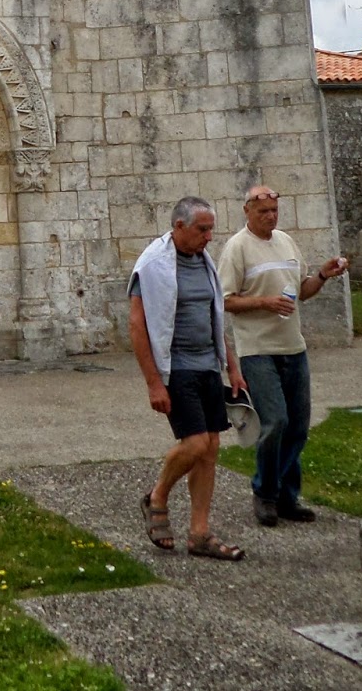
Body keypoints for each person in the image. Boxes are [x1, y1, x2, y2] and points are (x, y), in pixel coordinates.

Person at [218, 184, 349, 527]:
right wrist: (264, 302)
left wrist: (322, 274)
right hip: (258, 349)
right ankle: (265, 492)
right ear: (247, 211)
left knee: (299, 427)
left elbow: (301, 291)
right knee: (275, 422)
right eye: (263, 211)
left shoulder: (287, 242)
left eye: (274, 210)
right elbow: (225, 300)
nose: (270, 216)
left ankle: (288, 496)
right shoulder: (237, 248)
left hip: (294, 347)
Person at [128, 195, 249, 560]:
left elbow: (214, 318)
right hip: (175, 367)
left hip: (207, 366)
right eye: (202, 229)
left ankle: (199, 533)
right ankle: (157, 495)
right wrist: (153, 382)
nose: (209, 236)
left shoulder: (204, 262)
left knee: (210, 449)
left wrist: (232, 366)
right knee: (195, 444)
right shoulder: (153, 264)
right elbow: (137, 325)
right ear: (178, 226)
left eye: (211, 229)